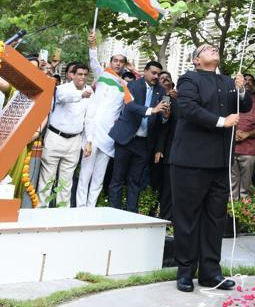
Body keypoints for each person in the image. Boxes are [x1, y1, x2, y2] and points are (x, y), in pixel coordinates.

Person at [169, 43, 250, 293]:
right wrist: (221, 122)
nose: (213, 49)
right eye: (207, 49)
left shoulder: (226, 81)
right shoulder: (188, 79)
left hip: (219, 161)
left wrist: (241, 91)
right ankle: (185, 272)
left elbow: (242, 107)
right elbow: (188, 109)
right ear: (196, 60)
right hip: (190, 160)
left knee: (215, 218)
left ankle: (210, 273)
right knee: (187, 218)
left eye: (215, 48)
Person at [76, 33, 130, 208]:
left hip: (109, 138)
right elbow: (93, 62)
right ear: (111, 62)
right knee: (85, 175)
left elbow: (127, 109)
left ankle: (90, 211)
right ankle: (80, 210)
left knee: (98, 178)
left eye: (122, 61)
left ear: (125, 65)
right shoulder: (101, 75)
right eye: (116, 60)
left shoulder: (125, 86)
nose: (118, 63)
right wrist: (93, 46)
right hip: (92, 134)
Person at [108, 60, 169, 213]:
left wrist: (166, 115)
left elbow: (163, 120)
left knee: (135, 181)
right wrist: (152, 110)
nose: (156, 76)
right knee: (117, 179)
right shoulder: (133, 86)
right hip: (126, 139)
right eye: (153, 73)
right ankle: (113, 213)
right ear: (145, 71)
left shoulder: (162, 91)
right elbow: (130, 106)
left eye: (158, 74)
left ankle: (131, 214)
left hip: (144, 143)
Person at [37, 61, 92, 206]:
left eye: (85, 75)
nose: (82, 77)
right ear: (72, 75)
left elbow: (89, 119)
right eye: (79, 74)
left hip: (75, 140)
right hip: (55, 137)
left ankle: (61, 216)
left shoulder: (90, 92)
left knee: (66, 183)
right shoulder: (62, 89)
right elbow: (64, 98)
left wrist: (88, 141)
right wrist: (81, 95)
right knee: (47, 180)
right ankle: (40, 213)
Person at [231, 79, 255, 199]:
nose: (246, 82)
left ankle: (242, 215)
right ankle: (230, 216)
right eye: (244, 80)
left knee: (245, 188)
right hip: (230, 148)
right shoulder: (230, 99)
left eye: (250, 81)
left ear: (254, 86)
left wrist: (247, 134)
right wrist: (232, 133)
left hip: (249, 150)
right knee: (231, 187)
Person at [154, 72, 178, 221]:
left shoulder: (180, 101)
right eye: (161, 79)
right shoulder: (165, 100)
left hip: (180, 152)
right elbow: (165, 126)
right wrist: (159, 149)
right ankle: (163, 218)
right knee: (164, 188)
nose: (164, 81)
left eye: (167, 79)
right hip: (163, 150)